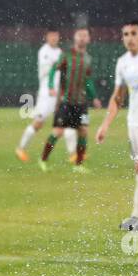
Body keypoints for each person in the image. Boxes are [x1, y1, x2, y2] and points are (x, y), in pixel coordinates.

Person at [95, 21, 138, 231]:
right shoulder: (122, 63)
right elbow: (118, 97)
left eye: (134, 33)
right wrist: (105, 124)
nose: (130, 38)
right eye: (126, 34)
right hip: (133, 120)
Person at [39, 27, 101, 172]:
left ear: (88, 39)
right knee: (58, 132)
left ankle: (78, 166)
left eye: (85, 36)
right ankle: (43, 160)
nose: (82, 38)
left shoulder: (88, 58)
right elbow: (54, 70)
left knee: (83, 131)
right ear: (75, 38)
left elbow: (88, 80)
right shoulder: (66, 55)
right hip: (66, 101)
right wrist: (50, 86)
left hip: (81, 102)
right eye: (79, 35)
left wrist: (94, 97)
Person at [15, 29, 61, 162]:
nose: (54, 38)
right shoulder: (43, 51)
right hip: (46, 93)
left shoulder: (60, 52)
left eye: (56, 35)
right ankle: (21, 148)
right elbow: (49, 69)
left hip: (58, 94)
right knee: (39, 123)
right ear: (47, 37)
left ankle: (73, 155)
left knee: (65, 124)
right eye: (51, 35)